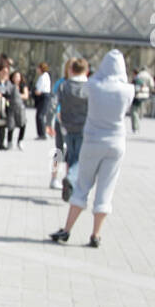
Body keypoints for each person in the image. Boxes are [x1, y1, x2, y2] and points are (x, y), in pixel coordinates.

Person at [49, 49, 134, 248]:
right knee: (106, 189)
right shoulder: (128, 89)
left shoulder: (94, 85)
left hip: (93, 139)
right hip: (117, 142)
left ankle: (67, 229)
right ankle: (96, 234)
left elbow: (83, 88)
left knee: (82, 186)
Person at [56, 57, 89, 201]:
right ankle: (70, 178)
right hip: (84, 128)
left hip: (67, 126)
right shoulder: (89, 87)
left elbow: (56, 105)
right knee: (80, 158)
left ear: (71, 69)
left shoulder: (64, 86)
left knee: (71, 155)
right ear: (86, 70)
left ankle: (71, 183)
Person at [130, 66, 153, 134]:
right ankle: (138, 124)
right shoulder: (146, 76)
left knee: (134, 112)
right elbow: (151, 84)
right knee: (138, 111)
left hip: (136, 96)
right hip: (142, 96)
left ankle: (136, 127)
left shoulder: (137, 79)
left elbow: (136, 88)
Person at [32, 62, 51, 139]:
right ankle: (41, 133)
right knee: (40, 115)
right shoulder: (45, 76)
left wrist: (34, 92)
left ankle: (42, 134)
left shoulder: (43, 77)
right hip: (44, 96)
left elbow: (38, 90)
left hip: (43, 96)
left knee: (40, 116)